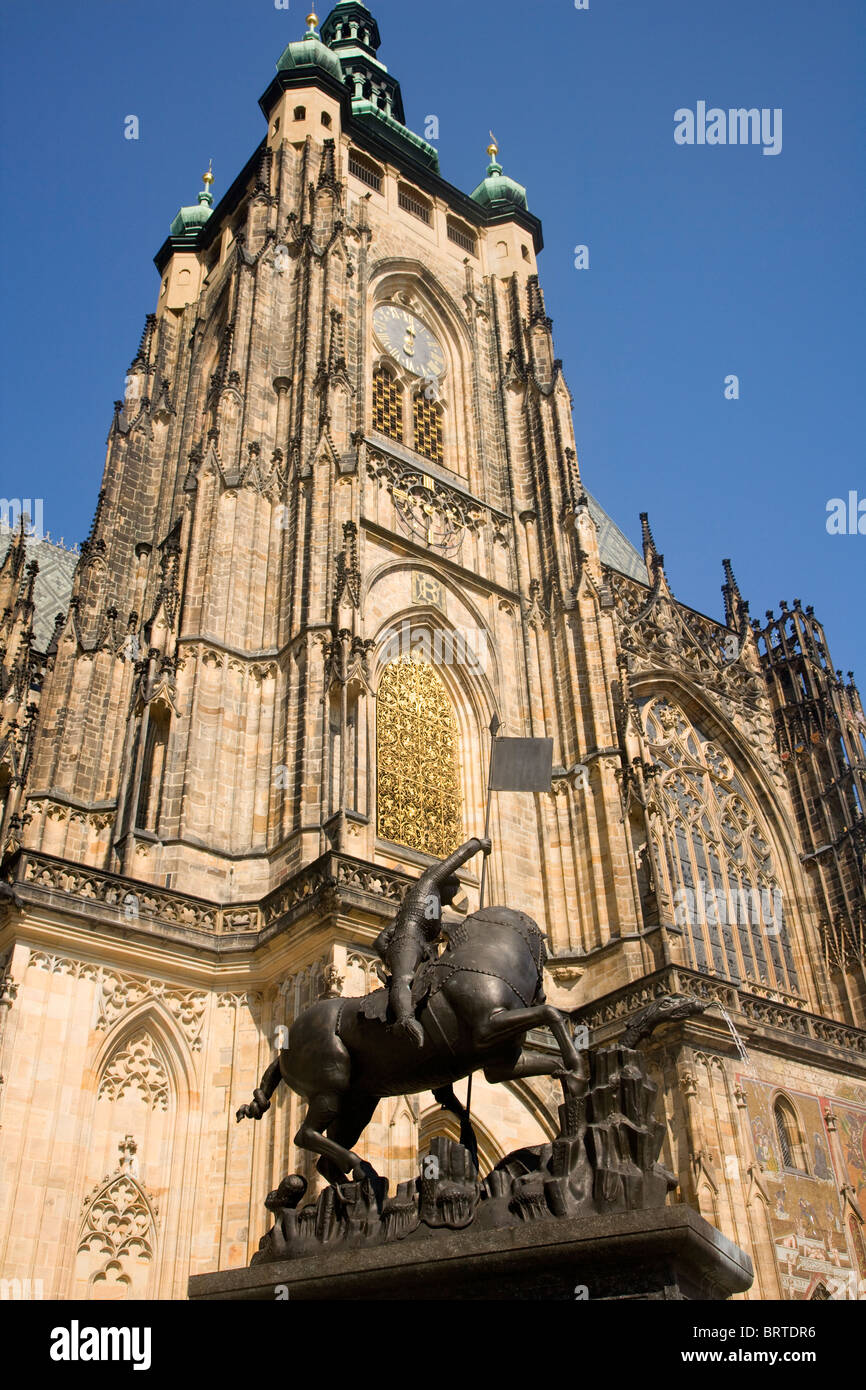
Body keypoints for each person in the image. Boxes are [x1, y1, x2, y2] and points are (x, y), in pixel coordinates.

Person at [373, 836, 491, 1047]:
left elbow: (381, 939)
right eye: (452, 892)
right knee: (405, 978)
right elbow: (457, 858)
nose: (451, 898)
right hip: (407, 941)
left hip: (421, 947)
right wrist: (478, 845)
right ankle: (405, 1021)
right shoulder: (429, 884)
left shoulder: (432, 906)